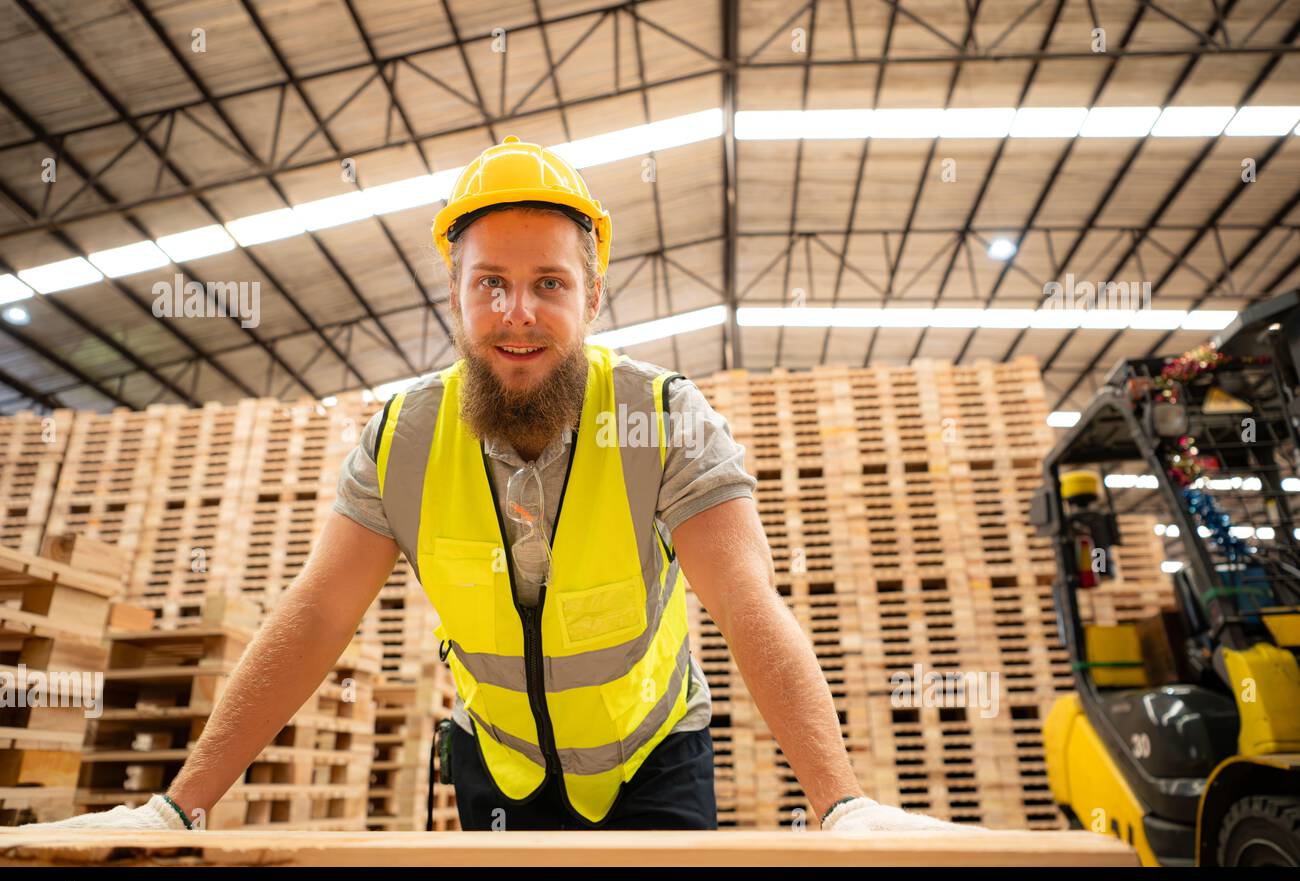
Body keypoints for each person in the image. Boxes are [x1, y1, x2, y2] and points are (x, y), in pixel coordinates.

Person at [22, 136, 982, 835]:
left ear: (592, 295)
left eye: (550, 285)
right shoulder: (401, 440)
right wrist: (177, 809)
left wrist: (841, 804)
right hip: (499, 770)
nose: (517, 314)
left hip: (653, 764)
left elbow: (746, 605)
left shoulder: (664, 417)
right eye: (490, 284)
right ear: (455, 293)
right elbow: (316, 615)